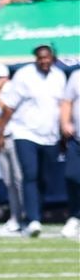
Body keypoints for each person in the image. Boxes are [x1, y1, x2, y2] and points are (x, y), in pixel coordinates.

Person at [0, 45, 66, 238]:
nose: (44, 61)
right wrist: (0, 133)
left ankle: (37, 214)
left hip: (50, 135)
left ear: (53, 58)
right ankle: (32, 219)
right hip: (25, 133)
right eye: (40, 58)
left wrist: (62, 133)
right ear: (35, 59)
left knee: (43, 178)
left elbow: (62, 106)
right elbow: (9, 107)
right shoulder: (24, 75)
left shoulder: (59, 76)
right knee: (30, 174)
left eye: (47, 58)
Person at [0, 63, 24, 234]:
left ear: (5, 78)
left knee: (19, 180)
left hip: (15, 138)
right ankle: (15, 217)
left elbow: (10, 112)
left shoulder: (12, 91)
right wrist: (0, 122)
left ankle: (26, 216)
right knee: (9, 182)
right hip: (0, 141)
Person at [60, 66, 80, 240]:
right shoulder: (76, 75)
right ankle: (75, 216)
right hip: (77, 138)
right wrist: (65, 122)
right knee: (72, 176)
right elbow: (67, 101)